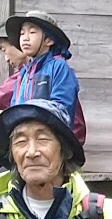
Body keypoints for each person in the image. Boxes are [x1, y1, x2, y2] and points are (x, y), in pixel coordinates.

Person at [6, 12, 86, 146]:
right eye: (22, 33)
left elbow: (62, 108)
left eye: (32, 32)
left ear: (49, 40)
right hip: (24, 140)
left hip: (50, 140)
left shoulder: (59, 67)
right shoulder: (23, 74)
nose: (25, 38)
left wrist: (30, 113)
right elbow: (15, 107)